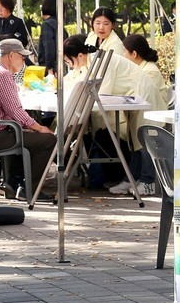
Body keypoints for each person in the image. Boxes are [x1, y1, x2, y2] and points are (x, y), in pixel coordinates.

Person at [63, 35, 167, 196]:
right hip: (133, 97)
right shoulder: (90, 62)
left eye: (69, 61)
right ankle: (130, 179)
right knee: (135, 142)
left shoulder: (101, 61)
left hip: (142, 95)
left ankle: (148, 182)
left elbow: (102, 93)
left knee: (144, 142)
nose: (69, 65)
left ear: (80, 56)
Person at [0, 39, 55, 200]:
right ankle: (29, 189)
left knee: (25, 134)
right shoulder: (2, 74)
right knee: (48, 140)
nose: (24, 61)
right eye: (22, 56)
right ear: (11, 55)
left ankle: (13, 182)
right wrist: (39, 127)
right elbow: (14, 110)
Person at [122, 34, 170, 104]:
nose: (123, 55)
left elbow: (139, 96)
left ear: (134, 54)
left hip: (154, 112)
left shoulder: (150, 71)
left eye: (124, 51)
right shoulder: (139, 67)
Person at [37, 0, 67, 76]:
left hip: (51, 69)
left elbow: (49, 47)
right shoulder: (59, 23)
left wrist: (49, 68)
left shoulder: (47, 24)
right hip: (61, 65)